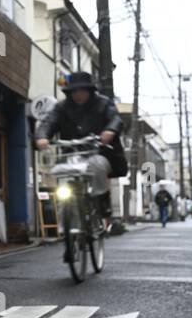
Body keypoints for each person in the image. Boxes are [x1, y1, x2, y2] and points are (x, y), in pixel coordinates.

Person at [35, 72, 125, 224]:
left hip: (98, 151)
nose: (78, 94)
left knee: (98, 165)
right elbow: (48, 123)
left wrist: (110, 131)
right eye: (74, 91)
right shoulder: (61, 107)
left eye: (82, 90)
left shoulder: (103, 103)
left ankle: (102, 201)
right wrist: (42, 137)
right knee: (61, 175)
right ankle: (67, 226)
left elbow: (115, 118)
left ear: (90, 91)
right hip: (71, 153)